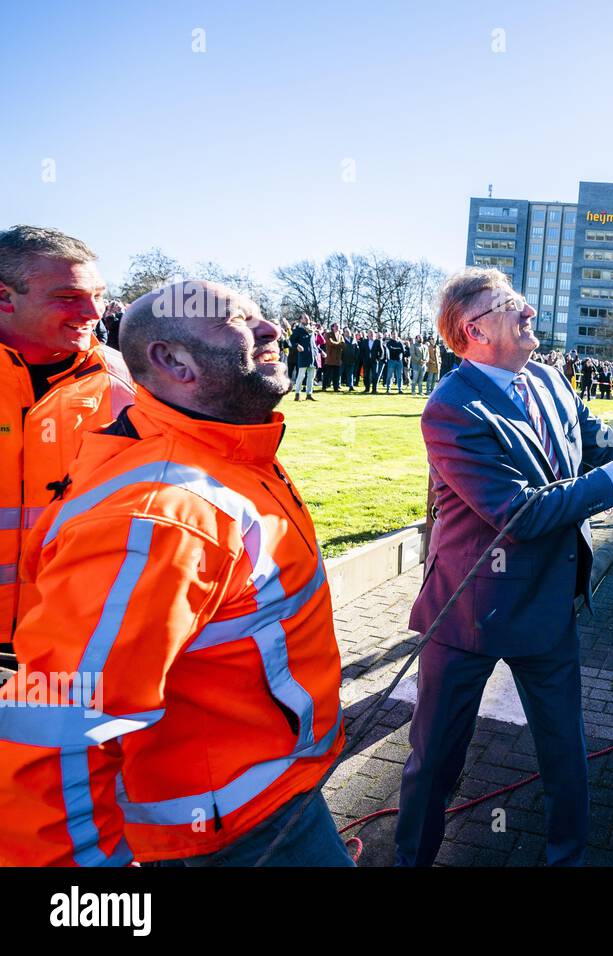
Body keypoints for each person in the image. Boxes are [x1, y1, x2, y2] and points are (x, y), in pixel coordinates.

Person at [395, 267, 613, 867]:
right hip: (469, 615)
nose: (528, 308)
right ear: (474, 330)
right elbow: (518, 514)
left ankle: (568, 858)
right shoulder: (449, 410)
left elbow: (610, 443)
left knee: (564, 750)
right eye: (510, 304)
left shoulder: (551, 381)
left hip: (549, 606)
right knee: (435, 761)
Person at [0, 279, 350, 867]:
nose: (271, 330)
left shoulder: (227, 451)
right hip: (230, 836)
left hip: (271, 802)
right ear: (171, 359)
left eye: (263, 315)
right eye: (238, 320)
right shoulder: (159, 515)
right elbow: (55, 730)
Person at [0, 226, 134, 678]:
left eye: (98, 294)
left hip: (80, 639)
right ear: (4, 297)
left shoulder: (132, 384)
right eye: (68, 297)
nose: (94, 312)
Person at [290, 317, 317, 401]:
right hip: (303, 355)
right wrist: (297, 345)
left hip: (312, 355)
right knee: (301, 375)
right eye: (305, 318)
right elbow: (292, 340)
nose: (307, 319)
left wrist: (320, 351)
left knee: (311, 376)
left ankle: (309, 394)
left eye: (307, 318)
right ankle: (297, 394)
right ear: (301, 320)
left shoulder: (311, 330)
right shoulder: (298, 330)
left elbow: (313, 343)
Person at [322, 323, 344, 391]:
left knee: (336, 375)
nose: (337, 327)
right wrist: (338, 344)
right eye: (336, 326)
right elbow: (330, 343)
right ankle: (324, 386)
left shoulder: (340, 336)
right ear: (332, 327)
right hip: (330, 358)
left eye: (338, 326)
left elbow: (343, 344)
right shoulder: (328, 334)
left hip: (337, 358)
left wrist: (337, 344)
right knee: (327, 374)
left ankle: (336, 387)